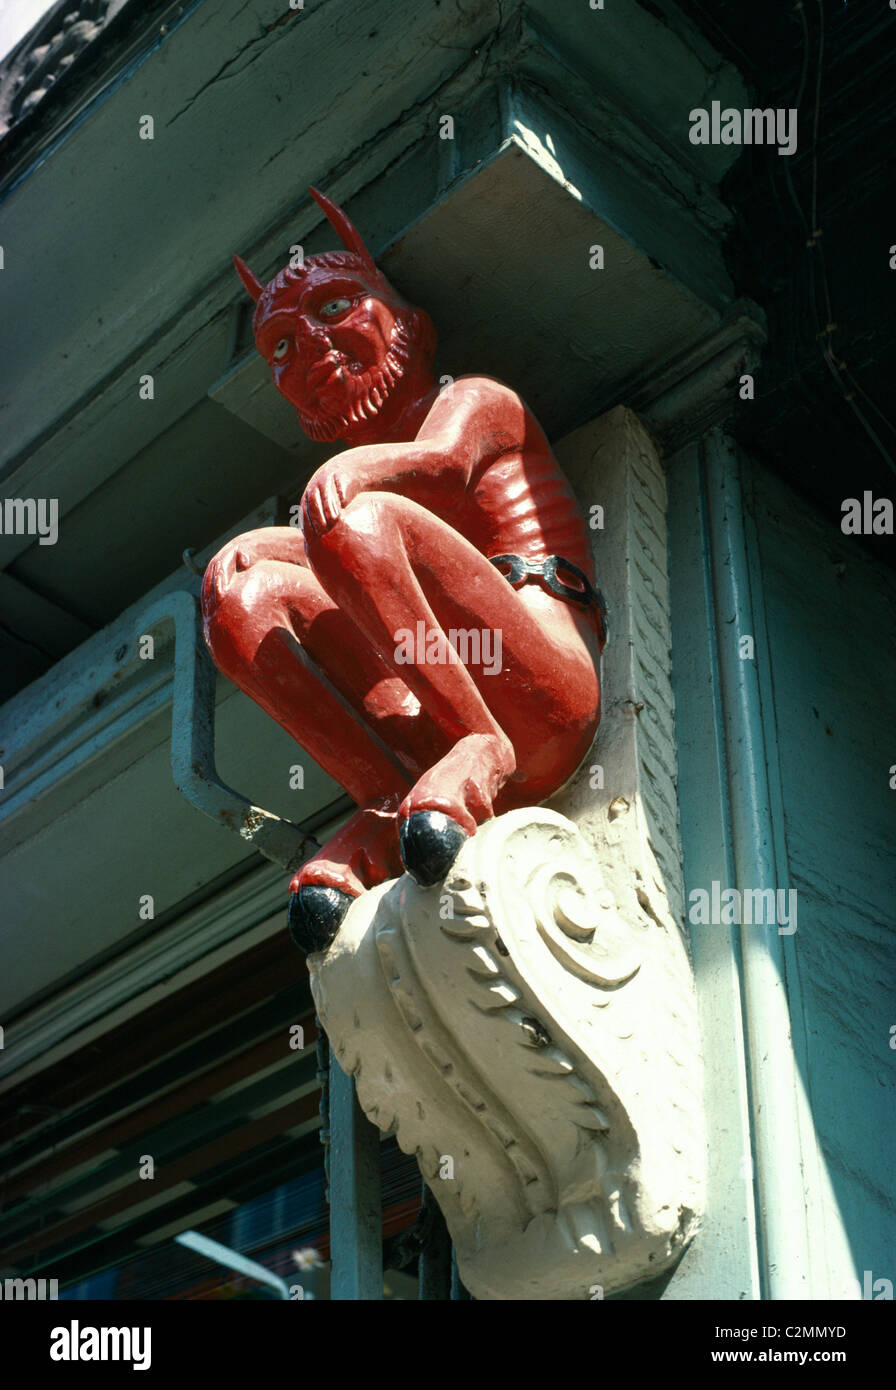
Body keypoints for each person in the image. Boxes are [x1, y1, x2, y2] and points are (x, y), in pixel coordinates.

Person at [202, 188, 606, 953]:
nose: (312, 347)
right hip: (434, 713)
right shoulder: (350, 493)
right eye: (281, 346)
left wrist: (352, 476)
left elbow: (444, 468)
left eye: (335, 309)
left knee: (354, 515)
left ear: (412, 326)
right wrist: (252, 559)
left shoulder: (479, 401)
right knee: (240, 585)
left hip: (541, 687)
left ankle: (480, 747)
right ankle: (385, 801)